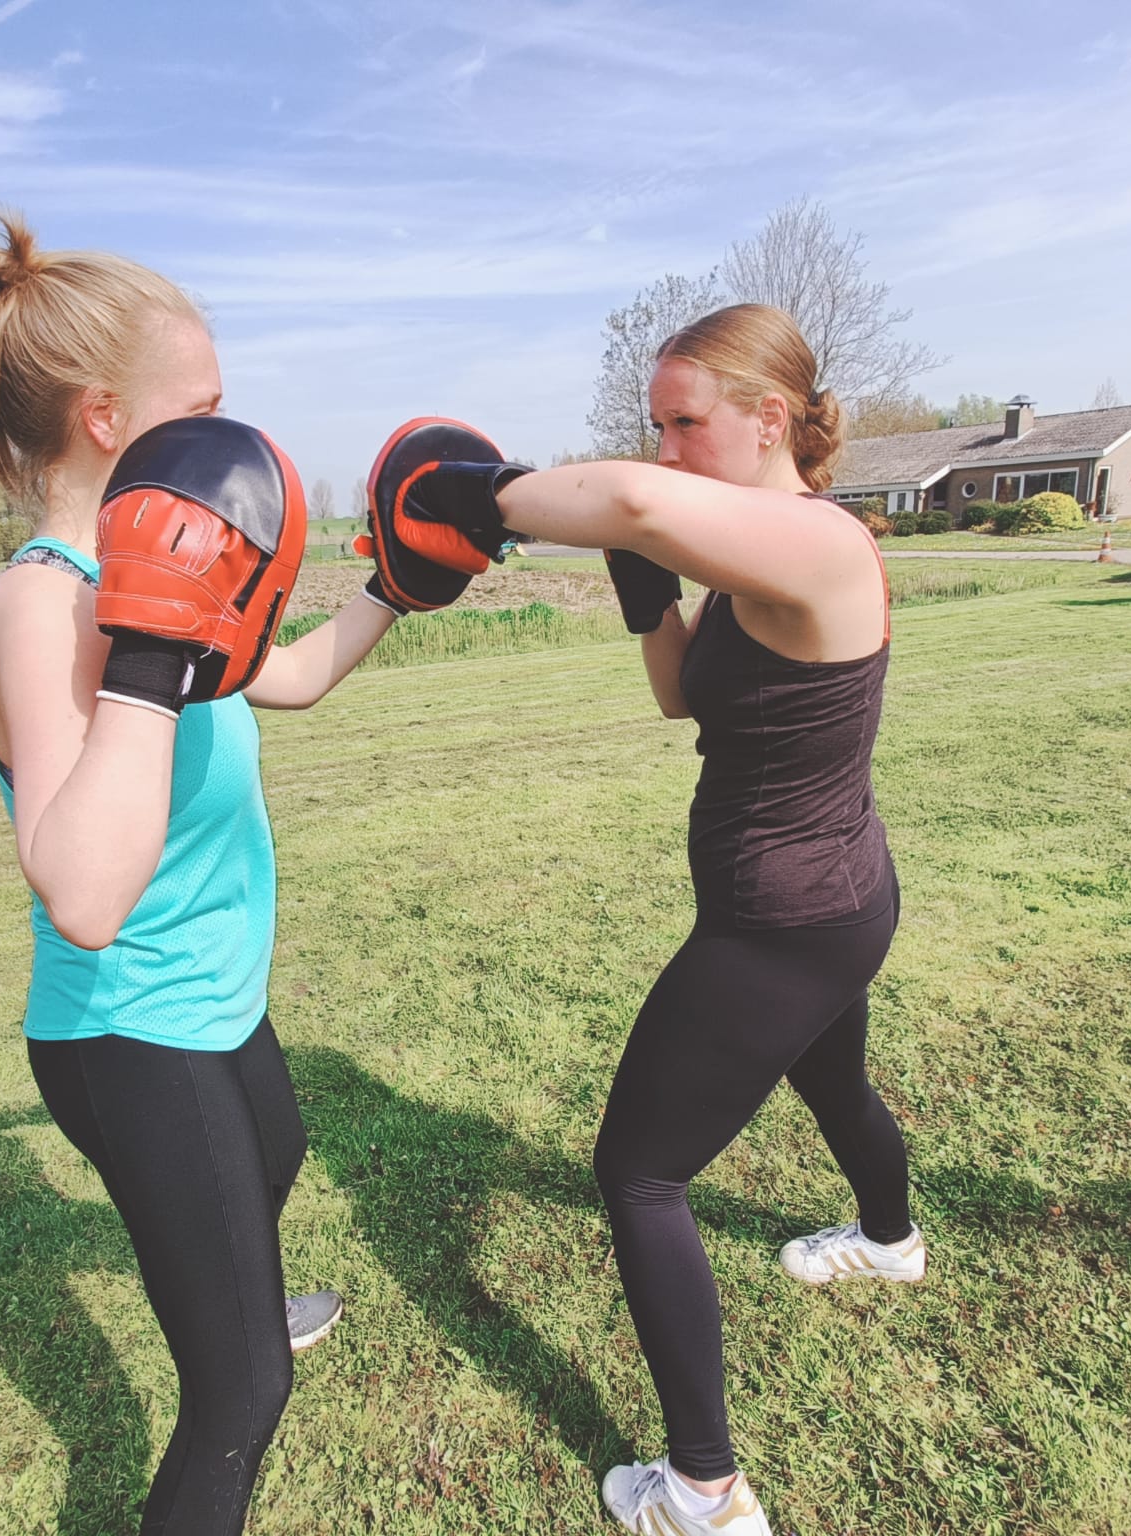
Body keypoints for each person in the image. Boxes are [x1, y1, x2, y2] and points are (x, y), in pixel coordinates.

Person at [373, 303, 922, 1536]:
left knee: (638, 1172)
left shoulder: (821, 542)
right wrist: (642, 589)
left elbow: (628, 499)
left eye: (683, 422)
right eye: (655, 425)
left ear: (767, 417)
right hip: (833, 899)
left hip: (778, 922)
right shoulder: (751, 559)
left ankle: (704, 1492)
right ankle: (888, 1241)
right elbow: (683, 696)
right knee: (832, 1083)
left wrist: (469, 491)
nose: (663, 448)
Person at [0, 210, 424, 1536]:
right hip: (130, 1024)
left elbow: (292, 676)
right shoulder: (47, 606)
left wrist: (398, 584)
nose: (233, 429)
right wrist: (147, 651)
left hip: (213, 991)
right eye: (205, 407)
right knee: (242, 1393)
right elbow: (84, 891)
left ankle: (229, 1284)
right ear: (107, 418)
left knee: (279, 1150)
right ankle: (233, 1324)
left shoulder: (159, 575)